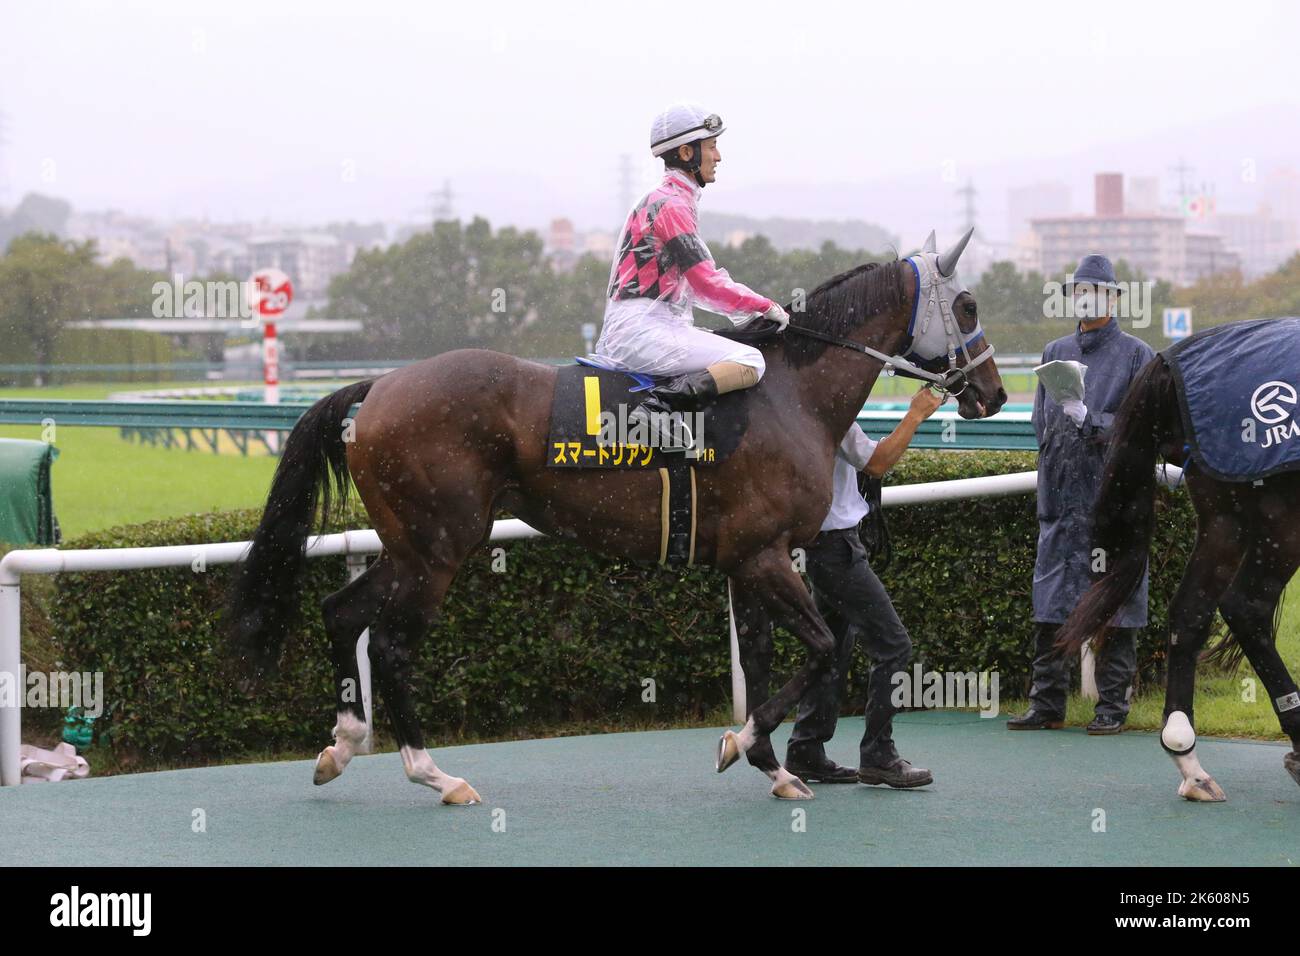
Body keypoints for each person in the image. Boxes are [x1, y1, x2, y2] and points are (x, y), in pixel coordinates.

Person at [1008, 254, 1156, 734]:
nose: (1086, 298)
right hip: (1060, 502)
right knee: (1050, 605)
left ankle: (1112, 707)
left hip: (1112, 507)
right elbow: (1040, 425)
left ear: (1114, 298)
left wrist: (1092, 420)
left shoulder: (1137, 355)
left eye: (1097, 290)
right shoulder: (1055, 349)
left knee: (1114, 603)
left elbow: (1146, 430)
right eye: (1079, 290)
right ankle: (1046, 704)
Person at [592, 104, 789, 433]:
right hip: (641, 331)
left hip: (643, 326)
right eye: (712, 146)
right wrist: (764, 306)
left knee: (725, 343)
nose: (719, 156)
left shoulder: (667, 199)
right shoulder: (671, 205)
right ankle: (658, 407)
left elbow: (690, 289)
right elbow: (707, 283)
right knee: (750, 360)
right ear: (686, 152)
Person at [784, 385, 945, 786]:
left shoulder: (801, 404)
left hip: (825, 545)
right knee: (894, 646)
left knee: (832, 649)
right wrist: (916, 414)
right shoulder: (829, 409)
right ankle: (878, 755)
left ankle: (806, 749)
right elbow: (878, 462)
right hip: (837, 549)